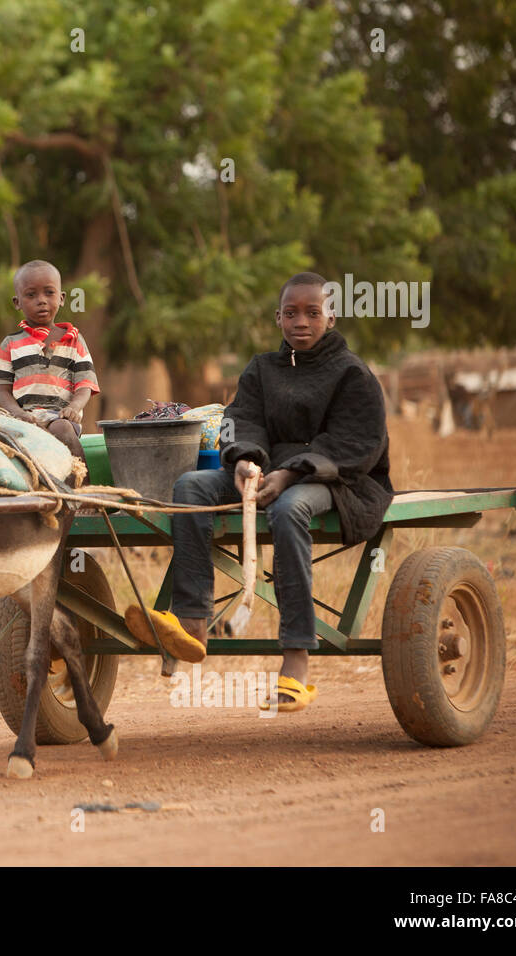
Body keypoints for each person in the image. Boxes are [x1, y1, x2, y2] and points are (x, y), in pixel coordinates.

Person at [168, 272, 394, 710]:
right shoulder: (261, 369)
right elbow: (239, 421)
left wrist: (291, 474)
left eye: (313, 312)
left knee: (289, 510)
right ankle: (192, 620)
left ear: (332, 316)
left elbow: (357, 443)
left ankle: (296, 657)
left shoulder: (353, 374)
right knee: (190, 485)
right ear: (278, 318)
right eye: (291, 313)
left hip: (337, 478)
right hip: (265, 471)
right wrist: (245, 460)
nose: (301, 322)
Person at [0, 260, 98, 459]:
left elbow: (85, 386)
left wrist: (73, 408)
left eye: (49, 292)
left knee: (62, 430)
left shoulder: (74, 340)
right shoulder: (10, 344)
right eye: (31, 295)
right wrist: (18, 413)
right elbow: (2, 391)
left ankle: (83, 480)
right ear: (17, 302)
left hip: (58, 416)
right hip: (22, 417)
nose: (42, 300)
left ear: (62, 298)